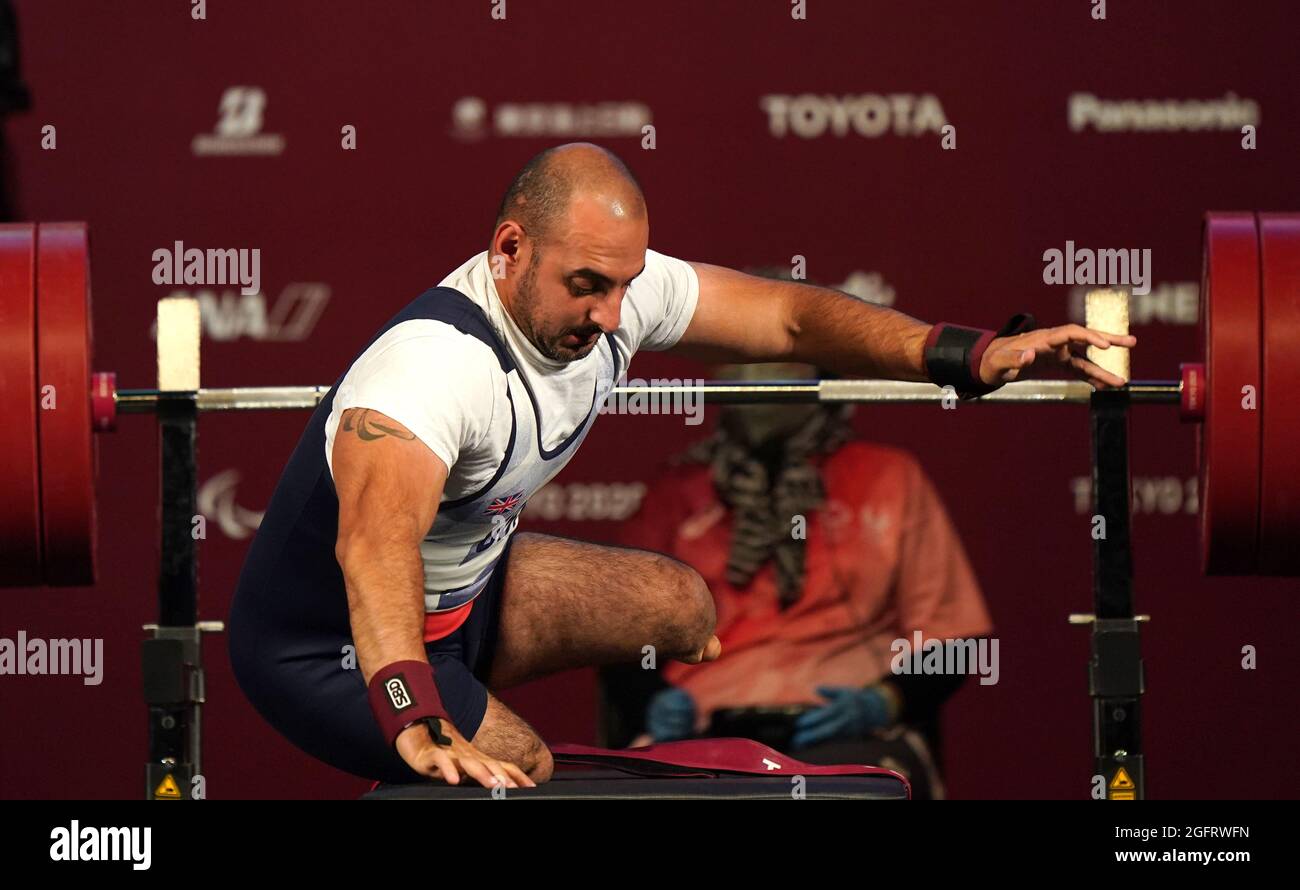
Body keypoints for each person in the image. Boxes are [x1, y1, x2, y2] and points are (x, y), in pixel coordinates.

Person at [227, 142, 1134, 790]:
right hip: (333, 642)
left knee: (681, 604)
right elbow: (374, 550)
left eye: (626, 286)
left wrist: (960, 354)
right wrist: (410, 708)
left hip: (468, 597)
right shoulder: (430, 370)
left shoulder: (615, 291)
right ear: (508, 250)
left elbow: (787, 318)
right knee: (514, 768)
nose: (613, 317)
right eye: (588, 287)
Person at [611, 361, 993, 799]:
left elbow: (953, 642)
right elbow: (621, 639)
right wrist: (655, 703)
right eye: (742, 361)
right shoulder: (674, 490)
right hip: (705, 732)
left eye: (773, 359)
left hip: (848, 732)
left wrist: (884, 701)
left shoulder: (889, 476)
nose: (755, 378)